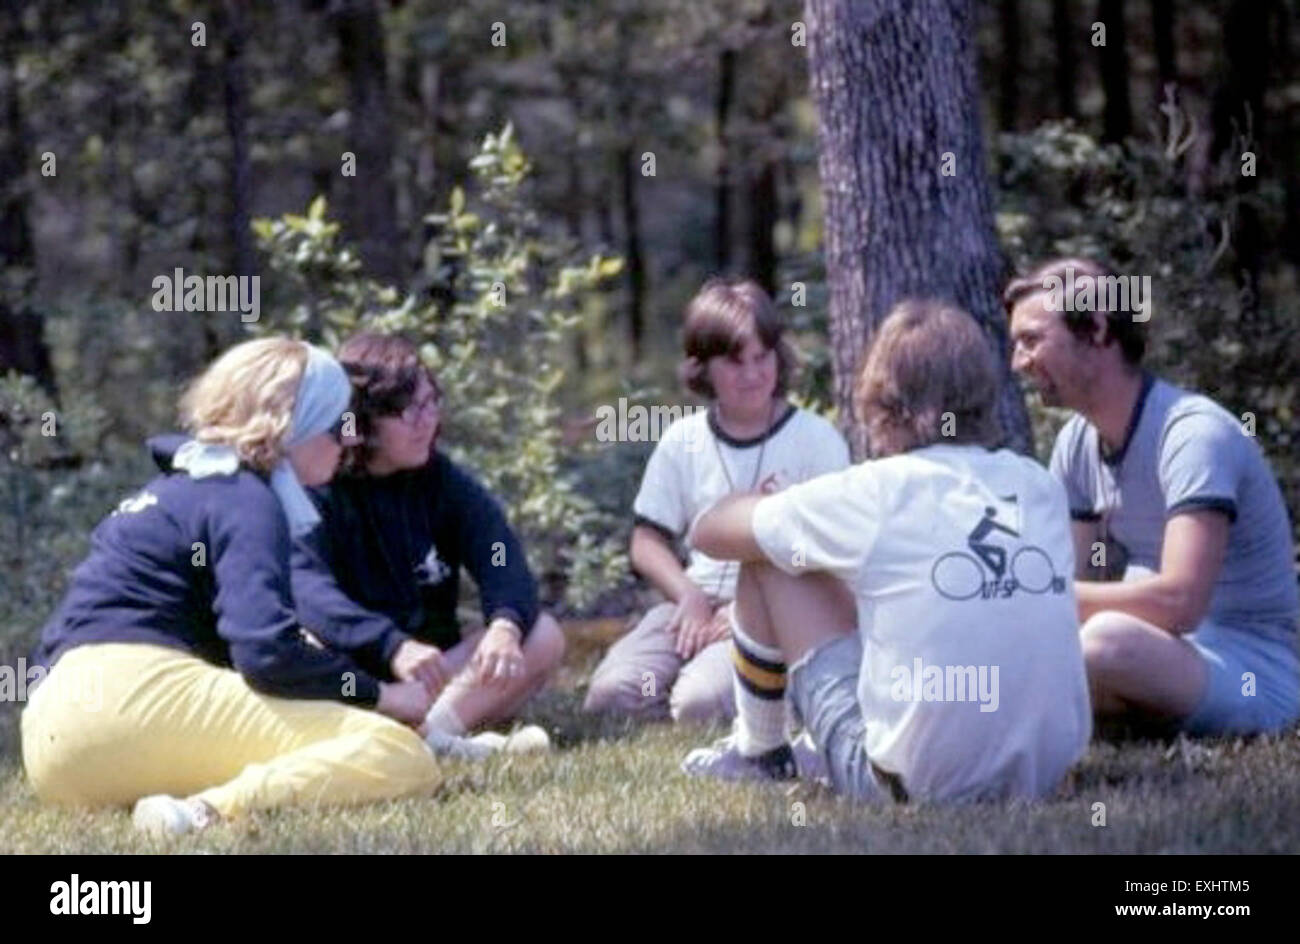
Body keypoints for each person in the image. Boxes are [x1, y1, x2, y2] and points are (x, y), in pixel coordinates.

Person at [21, 338, 441, 836]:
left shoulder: (175, 488)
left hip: (53, 746)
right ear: (293, 424)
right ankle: (205, 810)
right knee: (399, 754)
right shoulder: (246, 496)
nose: (348, 441)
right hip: (132, 706)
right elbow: (267, 653)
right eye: (335, 424)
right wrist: (382, 697)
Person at [682, 300, 1091, 803]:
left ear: (885, 400)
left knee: (770, 561)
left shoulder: (878, 490)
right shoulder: (1038, 485)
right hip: (1047, 777)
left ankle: (760, 751)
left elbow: (710, 533)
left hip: (917, 790)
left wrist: (766, 503)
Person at [1006, 257, 1300, 736]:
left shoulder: (1193, 435)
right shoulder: (1076, 443)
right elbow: (1065, 575)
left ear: (1097, 329)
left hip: (1249, 670)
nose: (1018, 362)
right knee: (1033, 644)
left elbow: (1181, 602)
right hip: (1163, 650)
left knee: (1104, 643)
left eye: (1032, 340)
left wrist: (1036, 599)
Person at [582, 278, 850, 723]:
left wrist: (746, 610)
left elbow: (834, 550)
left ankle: (756, 690)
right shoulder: (682, 439)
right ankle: (700, 683)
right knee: (611, 696)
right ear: (702, 368)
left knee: (698, 704)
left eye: (762, 358)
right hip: (691, 601)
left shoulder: (817, 440)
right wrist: (687, 595)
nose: (752, 375)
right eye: (734, 362)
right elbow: (646, 541)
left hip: (771, 608)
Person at [291, 332, 564, 757]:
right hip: (357, 678)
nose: (427, 420)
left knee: (541, 634)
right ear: (364, 421)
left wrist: (505, 626)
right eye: (408, 410)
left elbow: (500, 555)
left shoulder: (441, 481)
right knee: (305, 643)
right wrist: (391, 645)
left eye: (431, 403)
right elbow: (308, 593)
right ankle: (420, 738)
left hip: (438, 677)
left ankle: (430, 738)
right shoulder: (320, 484)